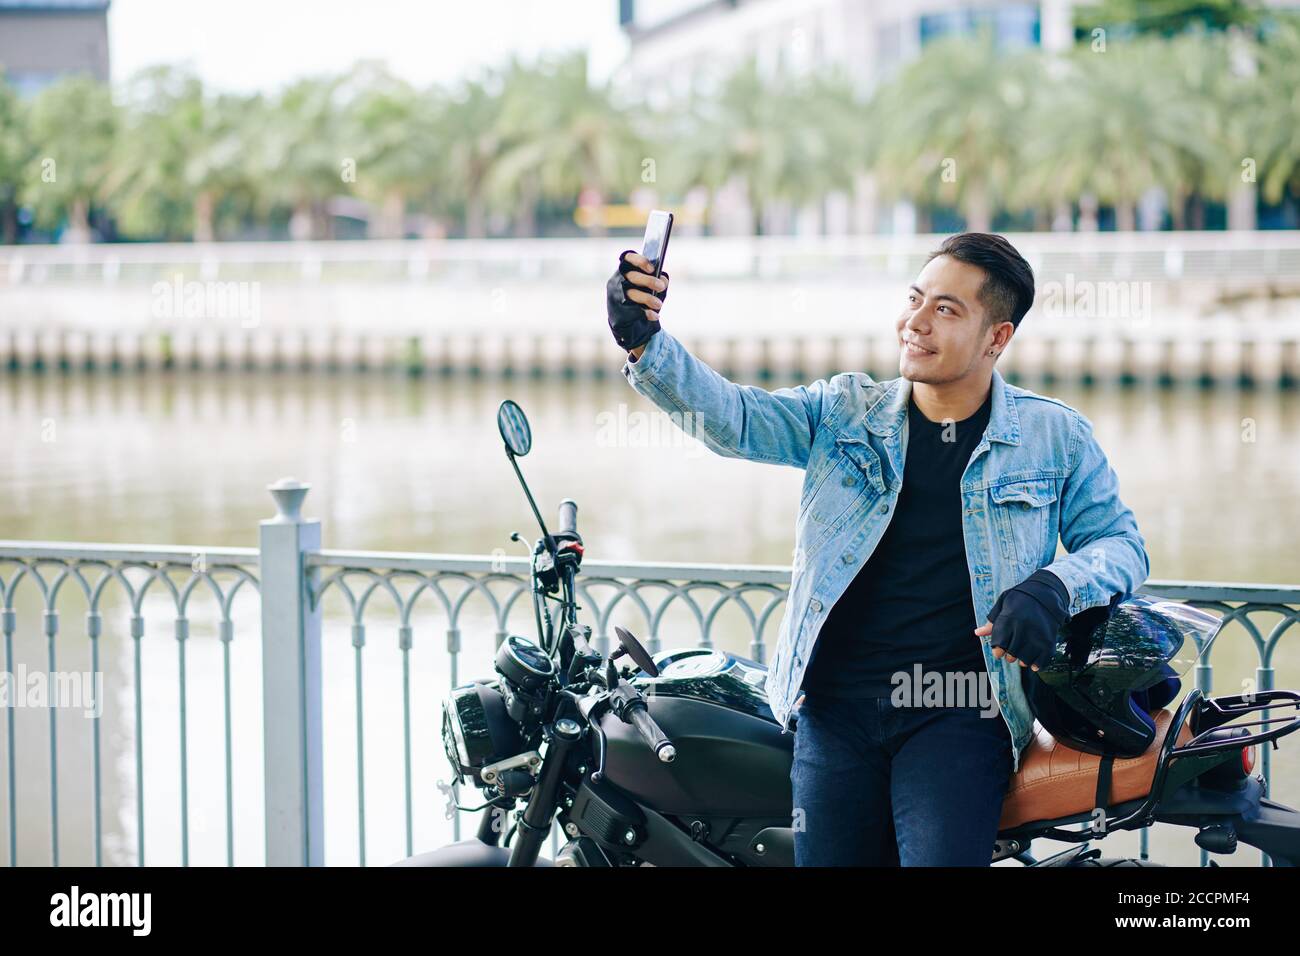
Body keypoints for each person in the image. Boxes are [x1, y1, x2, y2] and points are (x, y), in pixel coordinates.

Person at [606, 232, 1150, 866]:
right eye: (915, 300)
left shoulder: (1053, 436)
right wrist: (644, 340)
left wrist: (1054, 588)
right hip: (833, 713)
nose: (914, 324)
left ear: (996, 338)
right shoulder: (844, 412)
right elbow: (737, 419)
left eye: (946, 310)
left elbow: (1121, 545)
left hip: (958, 712)